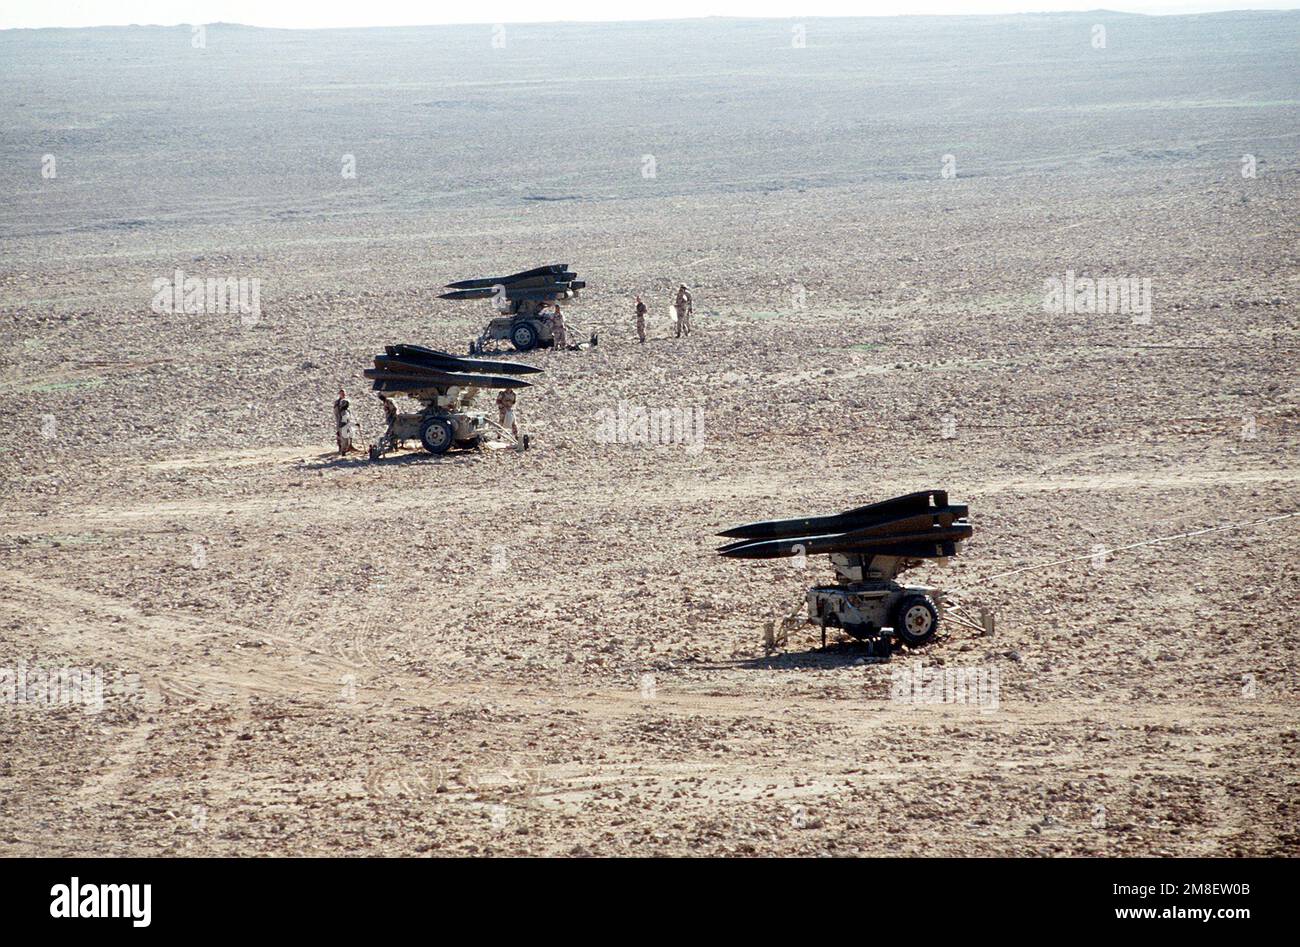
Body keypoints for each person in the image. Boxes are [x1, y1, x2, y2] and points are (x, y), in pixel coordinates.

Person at [333, 388, 362, 456]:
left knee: (350, 434)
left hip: (346, 421)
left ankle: (349, 447)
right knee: (342, 435)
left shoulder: (345, 403)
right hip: (341, 421)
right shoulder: (338, 403)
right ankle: (342, 449)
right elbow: (337, 413)